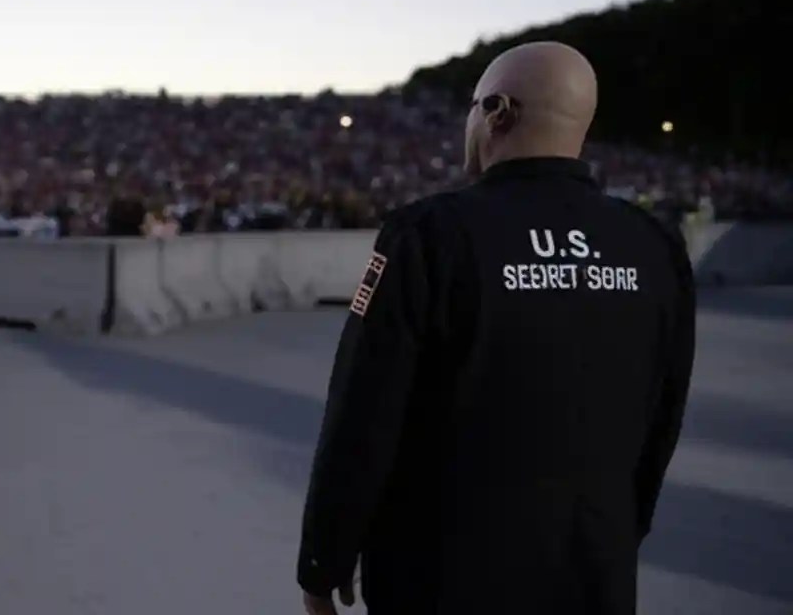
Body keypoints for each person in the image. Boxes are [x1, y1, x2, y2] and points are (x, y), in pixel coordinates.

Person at [297, 42, 696, 615]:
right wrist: (617, 536)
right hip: (593, 572)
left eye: (472, 106)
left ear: (497, 113)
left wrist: (323, 559)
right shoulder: (654, 244)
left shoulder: (431, 235)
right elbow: (664, 418)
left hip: (442, 577)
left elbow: (363, 412)